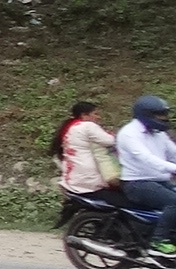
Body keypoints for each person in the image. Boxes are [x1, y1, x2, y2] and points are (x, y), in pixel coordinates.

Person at [114, 95, 176, 252]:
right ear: (146, 114)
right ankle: (158, 240)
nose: (164, 118)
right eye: (160, 115)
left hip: (160, 181)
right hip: (137, 183)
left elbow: (173, 152)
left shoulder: (158, 133)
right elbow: (147, 159)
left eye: (165, 114)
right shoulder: (129, 133)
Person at [54, 99, 118, 196]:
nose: (98, 117)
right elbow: (110, 141)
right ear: (84, 115)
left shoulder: (70, 128)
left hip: (73, 178)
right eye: (95, 114)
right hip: (88, 180)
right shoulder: (87, 126)